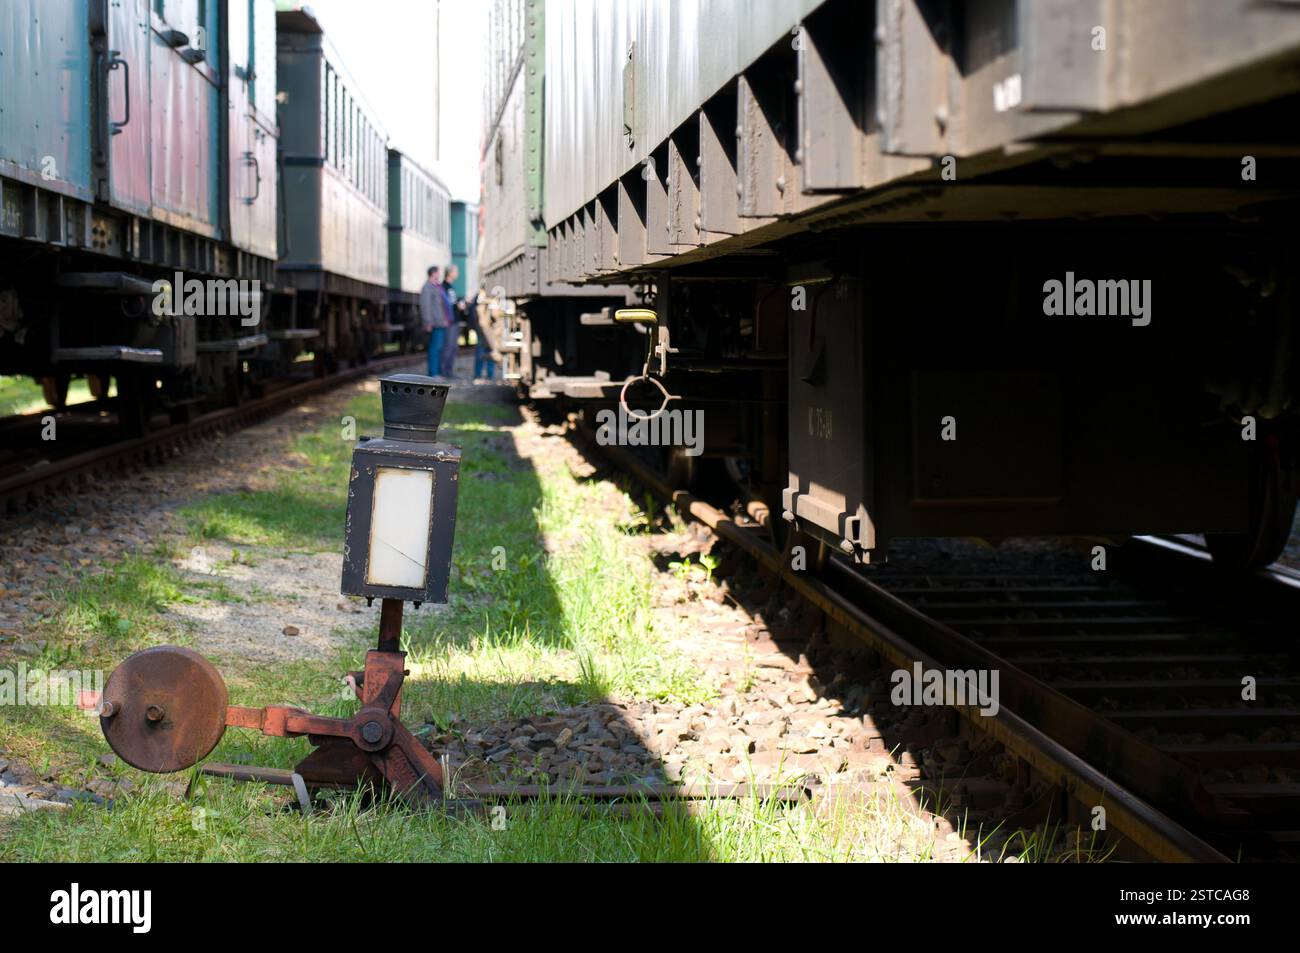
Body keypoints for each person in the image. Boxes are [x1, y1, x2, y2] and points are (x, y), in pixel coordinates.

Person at [420, 265, 450, 378]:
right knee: (434, 349)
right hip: (435, 324)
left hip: (441, 323)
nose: (439, 275)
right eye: (438, 272)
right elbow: (425, 306)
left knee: (439, 349)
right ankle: (433, 373)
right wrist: (427, 322)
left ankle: (437, 372)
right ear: (433, 273)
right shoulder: (427, 287)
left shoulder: (437, 287)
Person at [467, 291, 497, 381]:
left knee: (485, 350)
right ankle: (485, 375)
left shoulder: (480, 295)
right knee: (487, 350)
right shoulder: (490, 294)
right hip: (484, 327)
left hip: (484, 326)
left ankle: (481, 375)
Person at [441, 265, 462, 379]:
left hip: (455, 321)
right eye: (456, 271)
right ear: (450, 273)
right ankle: (444, 371)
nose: (457, 273)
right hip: (450, 322)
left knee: (453, 348)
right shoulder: (444, 286)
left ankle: (449, 371)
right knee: (448, 347)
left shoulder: (451, 287)